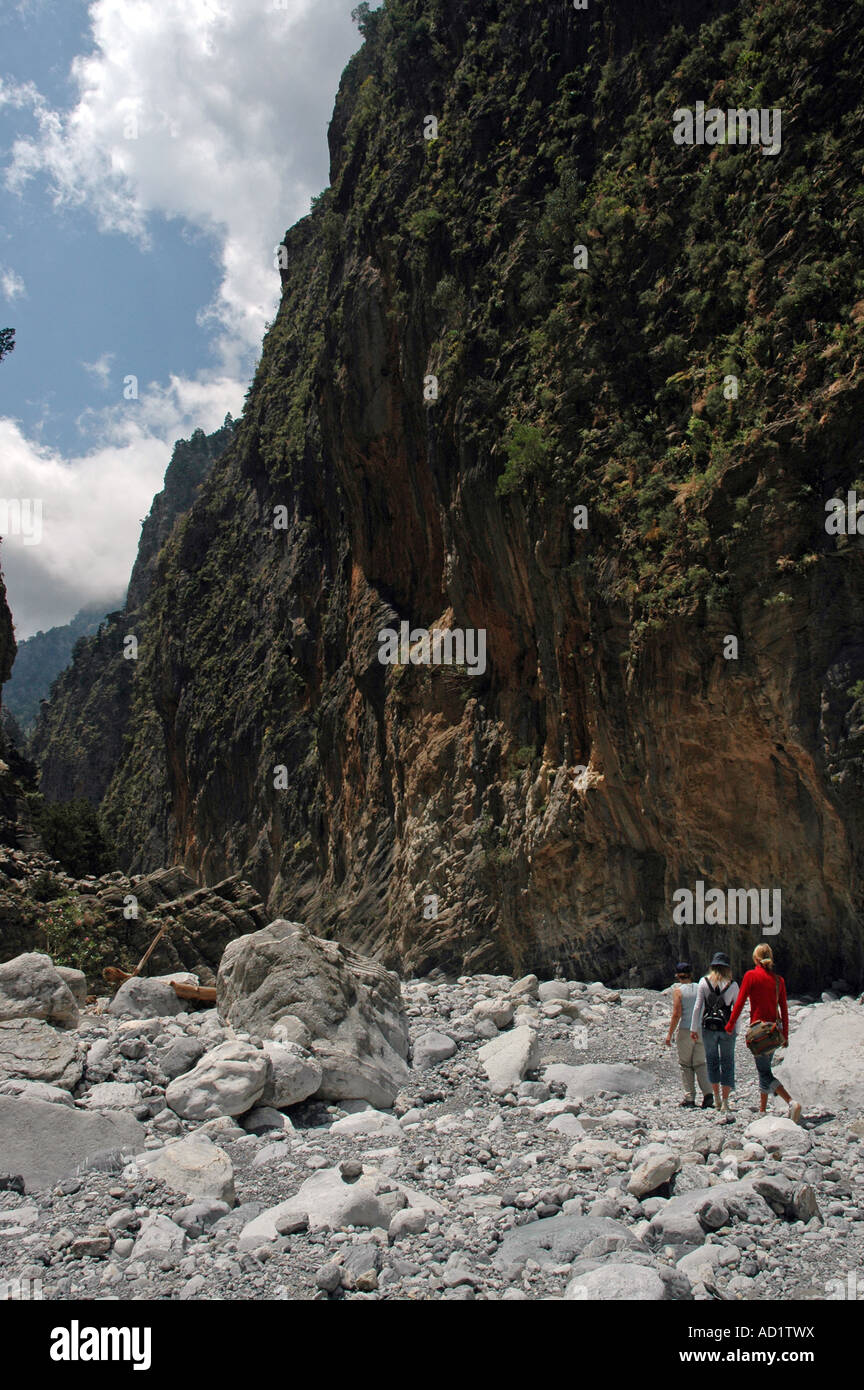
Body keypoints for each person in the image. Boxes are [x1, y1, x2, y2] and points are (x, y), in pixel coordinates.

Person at [725, 943, 802, 1123]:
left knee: (765, 1072)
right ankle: (762, 1110)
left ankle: (791, 1102)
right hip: (774, 1032)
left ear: (755, 958)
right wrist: (785, 1036)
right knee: (764, 1069)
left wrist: (730, 1025)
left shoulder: (751, 976)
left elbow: (739, 1003)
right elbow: (784, 1010)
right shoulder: (779, 980)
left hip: (758, 1032)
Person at [691, 952, 739, 1119]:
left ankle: (716, 1098)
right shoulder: (733, 985)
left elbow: (698, 1007)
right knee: (727, 1063)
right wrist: (736, 1029)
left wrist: (693, 1028)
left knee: (711, 1061)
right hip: (727, 1028)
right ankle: (725, 1101)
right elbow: (737, 1009)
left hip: (708, 1027)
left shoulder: (703, 982)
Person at [664, 961, 713, 1108]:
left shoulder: (678, 991)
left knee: (685, 1064)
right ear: (691, 974)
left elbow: (676, 1014)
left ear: (678, 976)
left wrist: (669, 1034)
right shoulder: (701, 988)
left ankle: (690, 1097)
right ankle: (708, 1094)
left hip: (686, 1029)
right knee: (700, 1063)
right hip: (700, 1029)